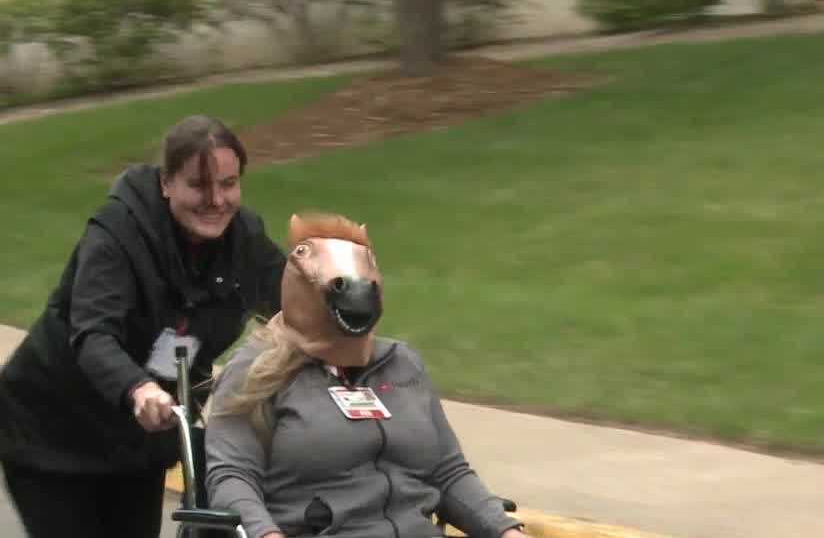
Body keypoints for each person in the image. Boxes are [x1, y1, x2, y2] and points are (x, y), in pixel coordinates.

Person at [0, 115, 287, 538]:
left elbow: (295, 306)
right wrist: (139, 388)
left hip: (140, 441)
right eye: (198, 185)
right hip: (52, 433)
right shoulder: (119, 232)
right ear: (166, 183)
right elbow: (94, 333)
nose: (216, 200)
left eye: (227, 184)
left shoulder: (244, 240)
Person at [205, 212, 530, 538]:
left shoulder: (402, 364)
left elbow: (447, 472)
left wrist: (505, 530)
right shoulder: (256, 371)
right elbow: (232, 476)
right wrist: (264, 533)